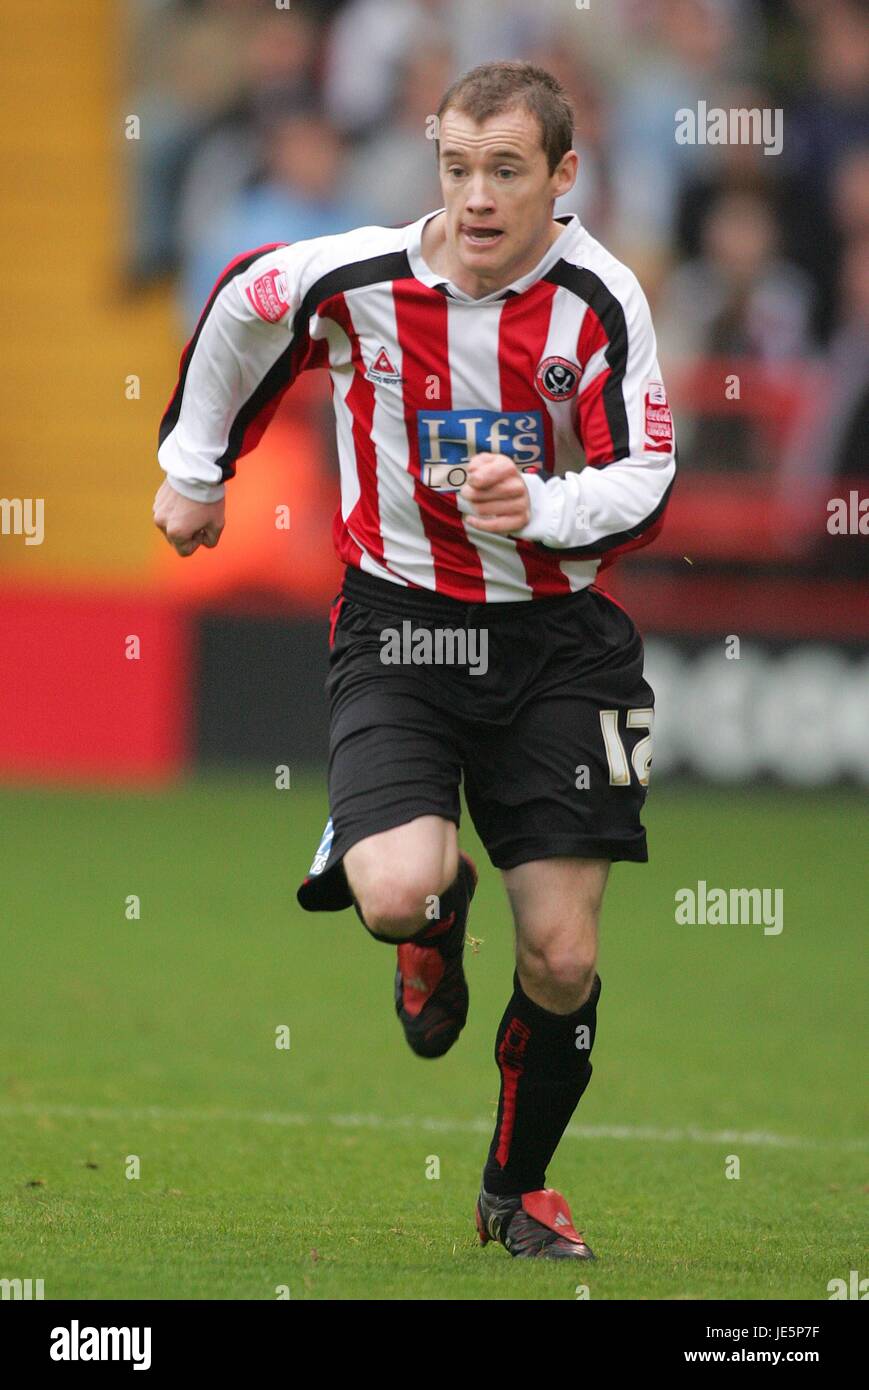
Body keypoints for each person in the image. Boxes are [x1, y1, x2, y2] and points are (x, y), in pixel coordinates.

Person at [153, 61, 677, 1261]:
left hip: (563, 649)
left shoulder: (600, 302)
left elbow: (645, 482)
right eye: (456, 167)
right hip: (398, 629)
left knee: (562, 954)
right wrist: (195, 466)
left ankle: (514, 1188)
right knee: (394, 892)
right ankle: (434, 920)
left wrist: (538, 504)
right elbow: (243, 303)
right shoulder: (358, 277)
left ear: (562, 176)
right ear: (432, 163)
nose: (477, 195)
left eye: (505, 170)